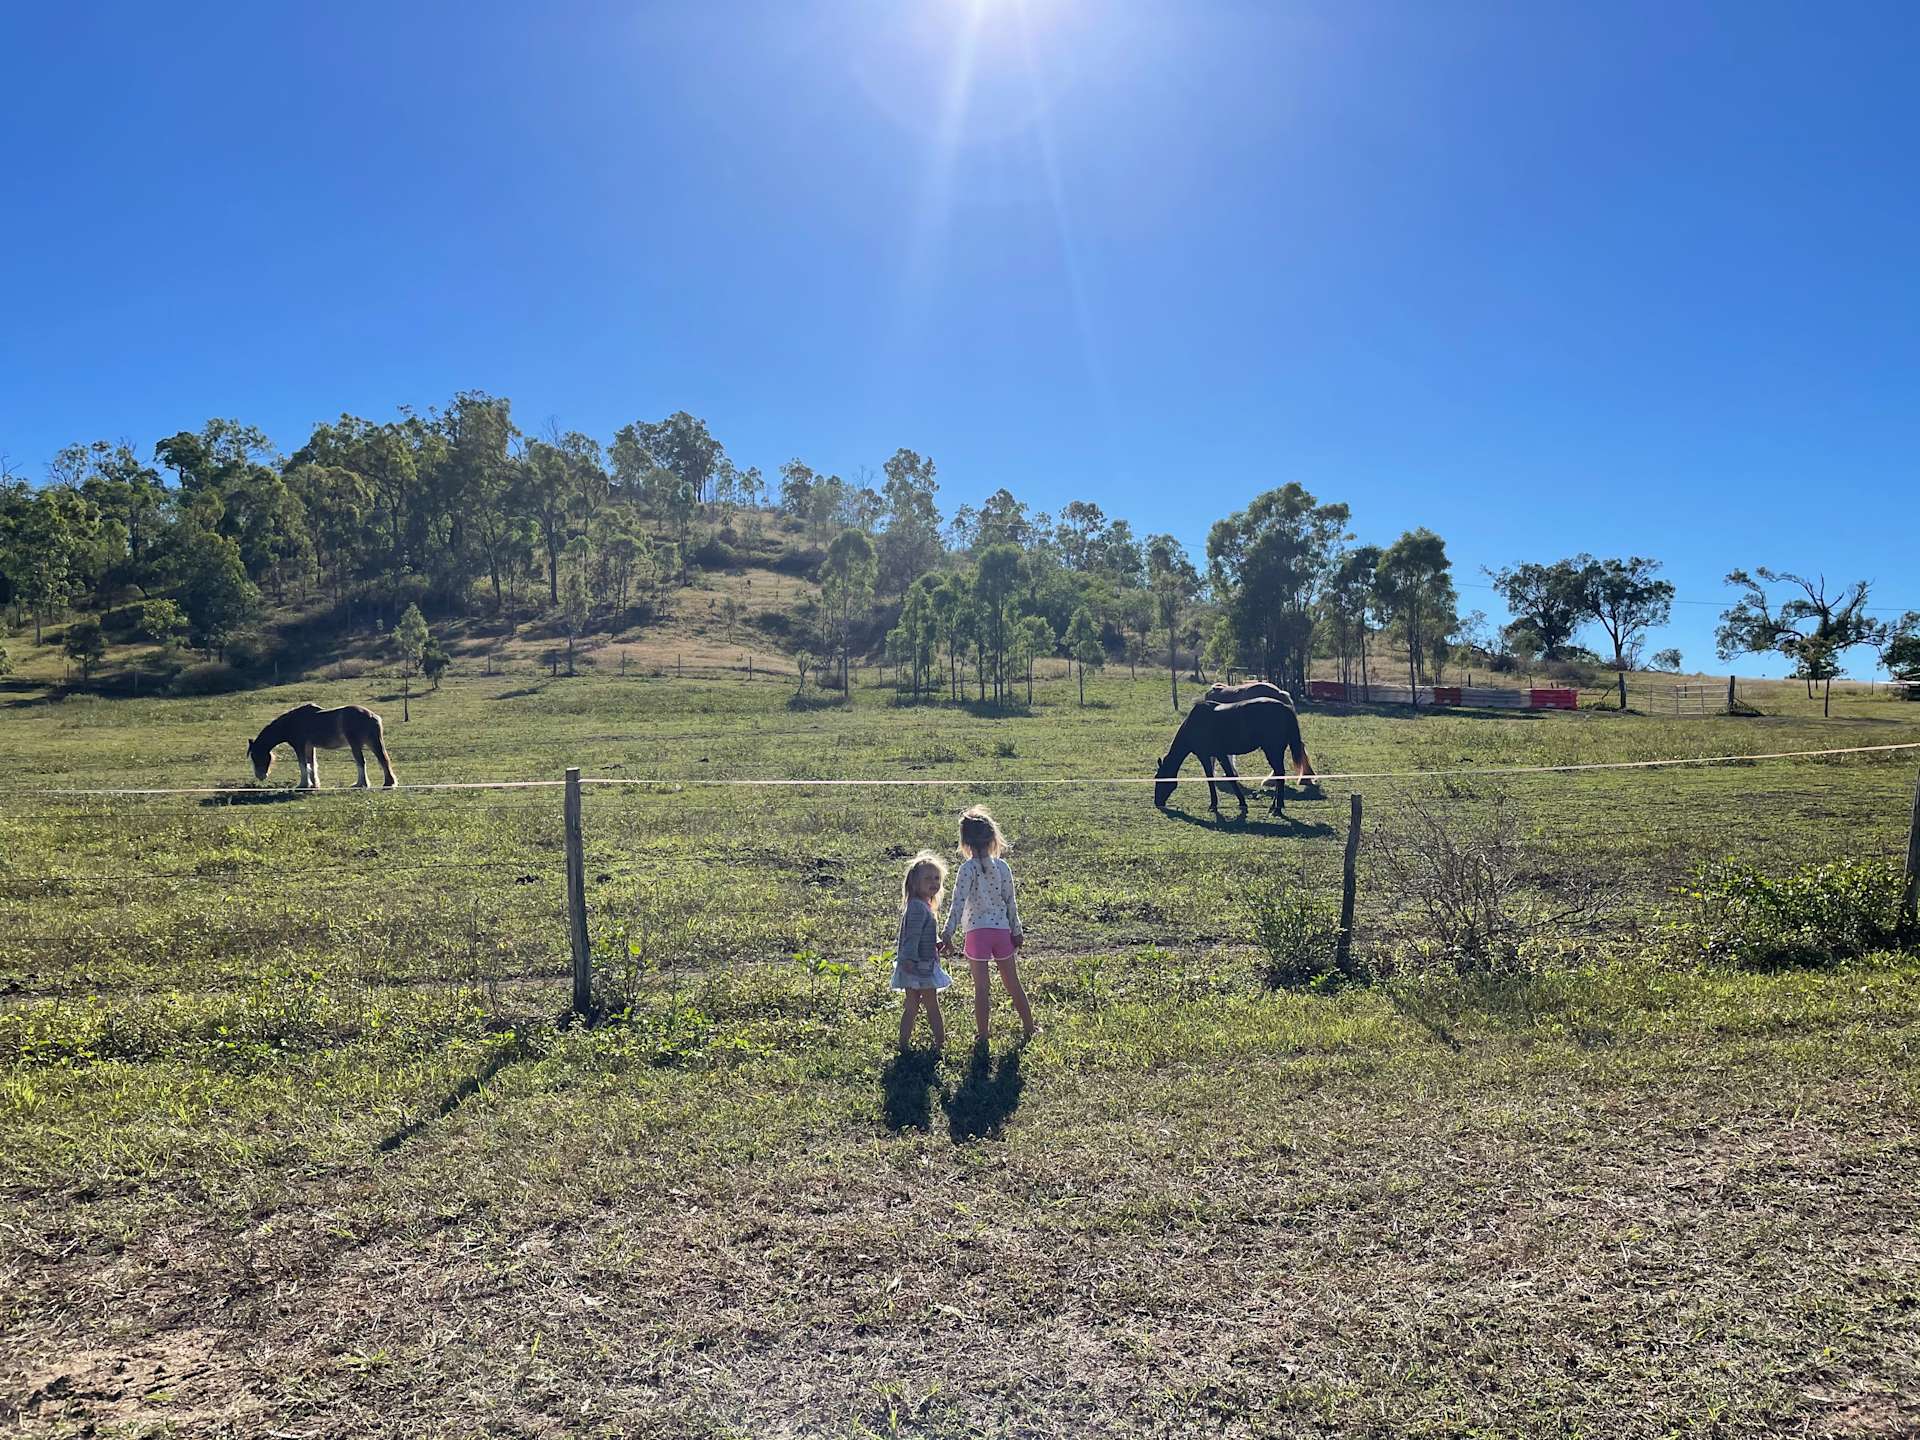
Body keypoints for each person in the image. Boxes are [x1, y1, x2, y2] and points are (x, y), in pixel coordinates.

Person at [938, 805, 1037, 1043]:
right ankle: (1030, 1027)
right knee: (1013, 983)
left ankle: (983, 1035)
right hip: (1002, 931)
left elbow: (957, 904)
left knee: (981, 988)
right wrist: (1017, 930)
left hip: (976, 933)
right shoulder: (1003, 868)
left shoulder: (966, 870)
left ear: (965, 842)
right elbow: (1010, 901)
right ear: (993, 838)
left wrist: (946, 933)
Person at [892, 851, 951, 1052]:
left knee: (912, 1005)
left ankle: (904, 1044)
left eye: (937, 878)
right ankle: (940, 1043)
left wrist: (934, 942)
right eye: (928, 878)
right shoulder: (918, 907)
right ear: (915, 883)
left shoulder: (922, 905)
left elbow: (921, 932)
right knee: (929, 1005)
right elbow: (912, 936)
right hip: (919, 965)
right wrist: (908, 959)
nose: (934, 882)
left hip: (919, 962)